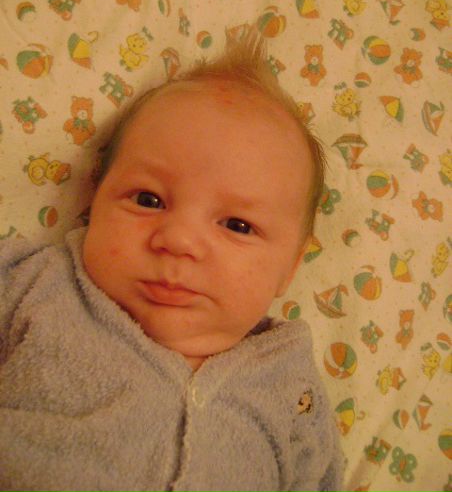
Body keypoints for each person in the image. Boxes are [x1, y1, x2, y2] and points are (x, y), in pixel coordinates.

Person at [0, 29, 343, 492]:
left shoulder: (291, 385)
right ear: (94, 198)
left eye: (237, 225)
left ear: (291, 269)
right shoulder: (34, 285)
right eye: (148, 199)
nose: (179, 240)